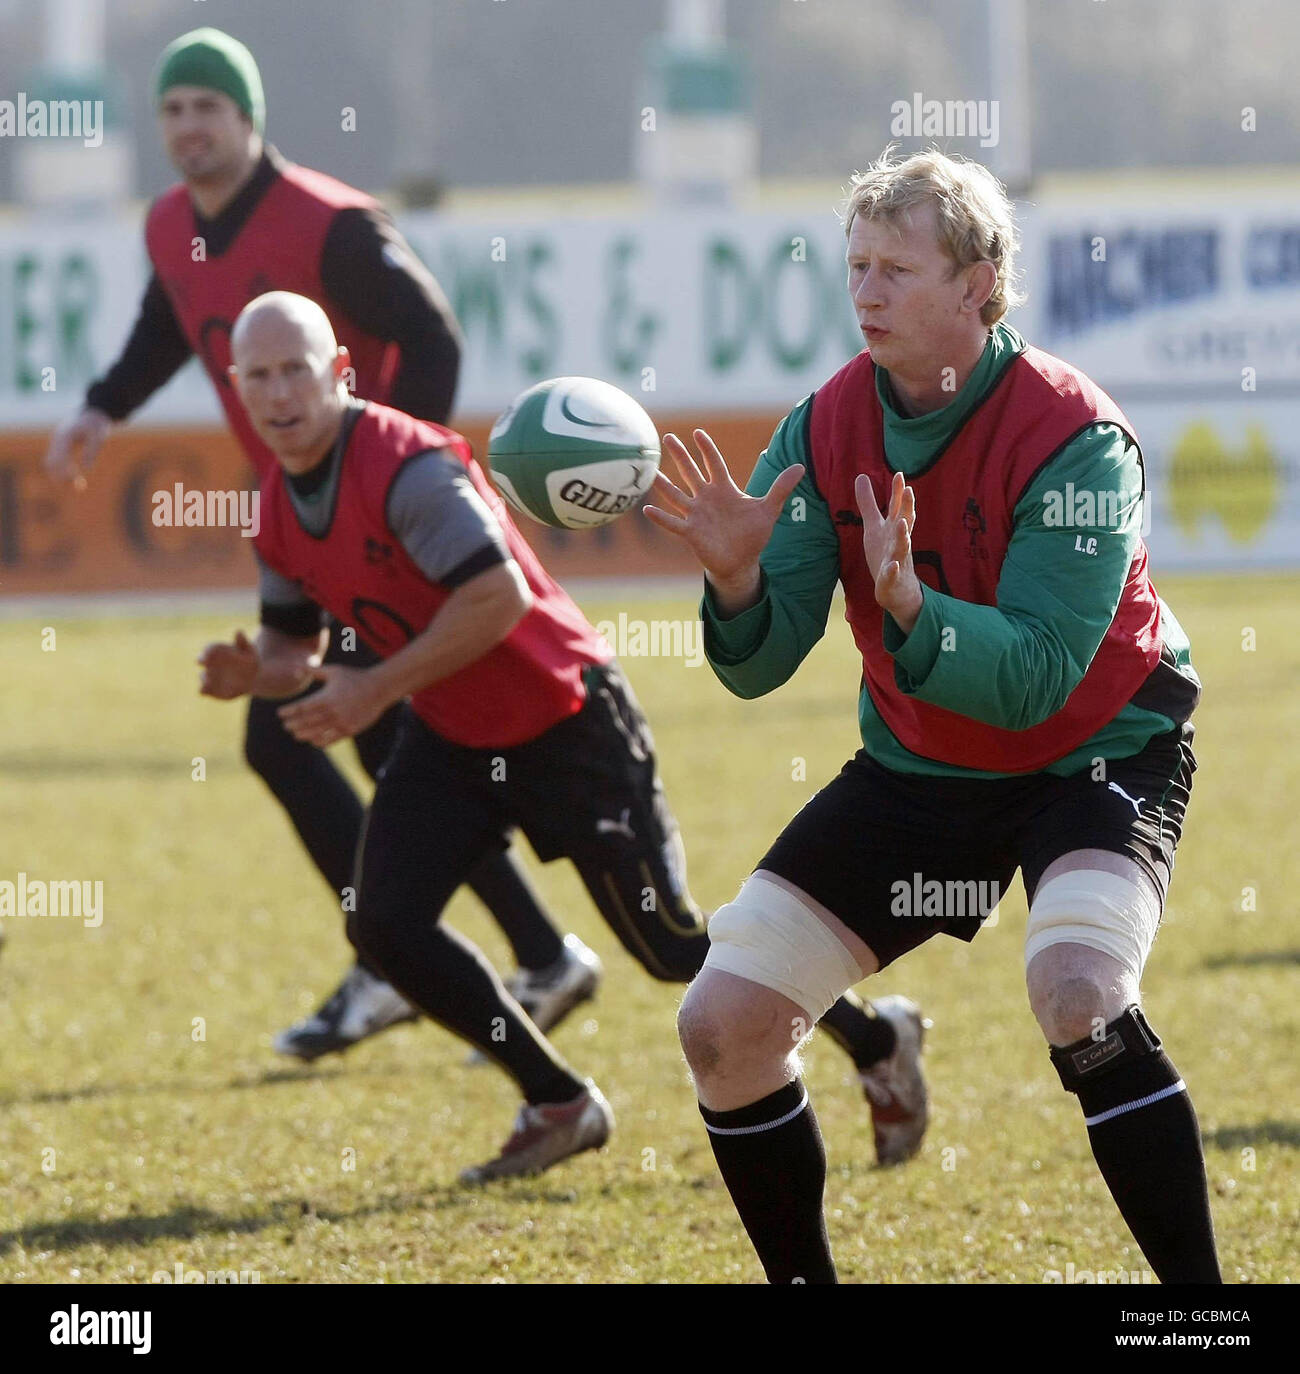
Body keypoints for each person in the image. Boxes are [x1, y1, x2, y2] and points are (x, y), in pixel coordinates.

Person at [646, 146, 1220, 1284]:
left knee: (1079, 998)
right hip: (923, 767)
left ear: (979, 284)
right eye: (855, 265)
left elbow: (1043, 676)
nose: (864, 291)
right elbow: (758, 668)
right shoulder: (824, 426)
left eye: (896, 269)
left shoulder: (1075, 435)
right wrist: (734, 586)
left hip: (1098, 755)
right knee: (724, 1027)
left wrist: (912, 606)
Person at [199, 289, 930, 1181]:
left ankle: (875, 1034)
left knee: (669, 948)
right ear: (236, 387)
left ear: (338, 373)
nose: (278, 394)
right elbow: (290, 646)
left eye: (295, 370)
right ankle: (558, 1100)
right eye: (258, 377)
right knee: (385, 926)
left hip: (567, 719)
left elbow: (497, 597)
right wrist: (261, 675)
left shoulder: (406, 468)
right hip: (452, 733)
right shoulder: (276, 502)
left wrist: (373, 691)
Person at [42, 27, 601, 1060]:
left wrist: (379, 481)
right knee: (383, 734)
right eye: (172, 109)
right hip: (314, 539)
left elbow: (433, 333)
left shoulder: (330, 223)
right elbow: (173, 324)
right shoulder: (173, 225)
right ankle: (521, 951)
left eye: (209, 106)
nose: (189, 126)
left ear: (250, 119)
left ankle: (400, 954)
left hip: (387, 537)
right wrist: (99, 407)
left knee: (300, 728)